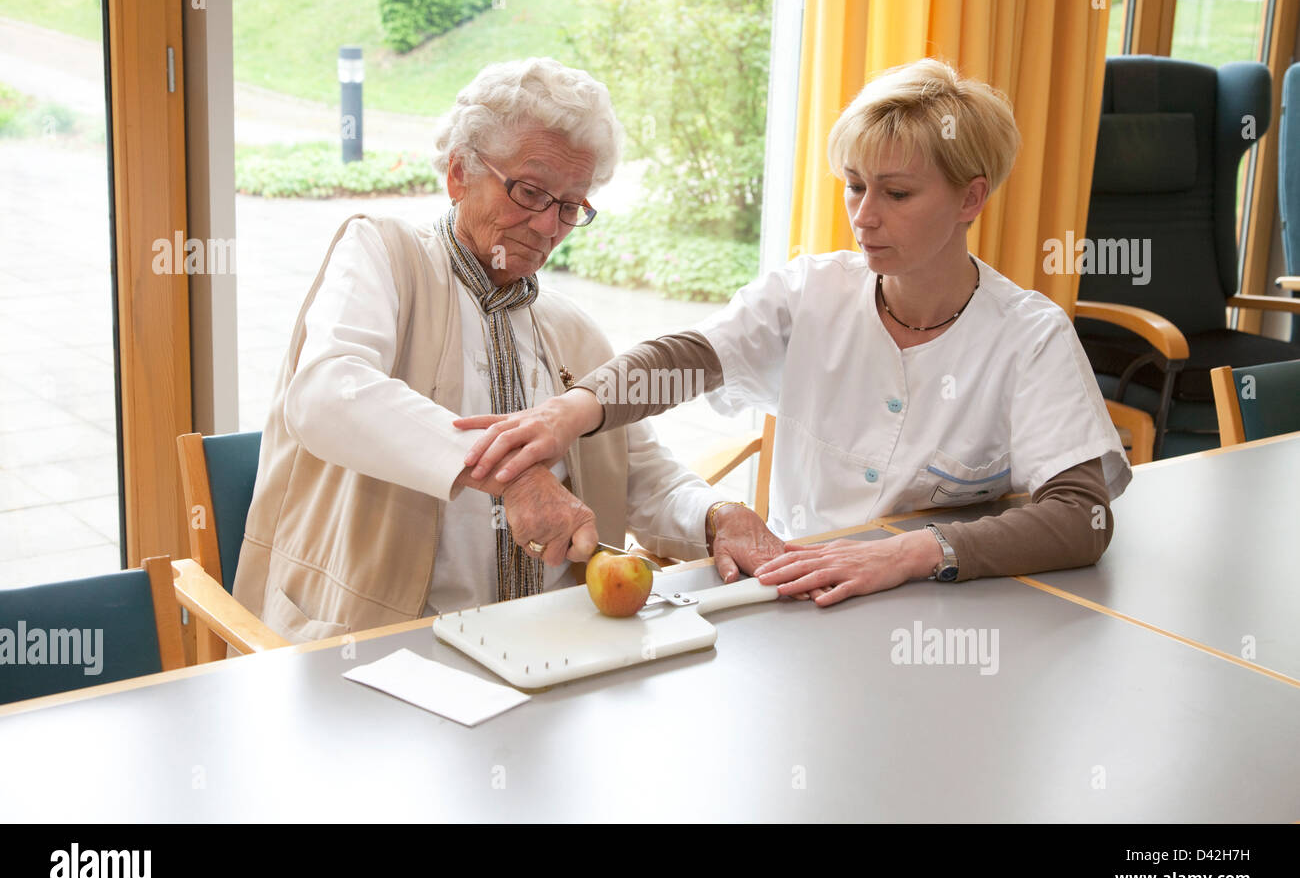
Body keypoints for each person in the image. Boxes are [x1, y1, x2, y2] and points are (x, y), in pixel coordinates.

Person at [454, 58, 1133, 607]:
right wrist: (572, 412)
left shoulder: (1029, 336)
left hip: (945, 607)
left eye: (895, 194)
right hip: (798, 600)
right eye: (854, 186)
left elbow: (1081, 517)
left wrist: (914, 552)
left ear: (970, 199)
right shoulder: (812, 291)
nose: (863, 216)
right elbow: (690, 356)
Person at [232, 57, 782, 642]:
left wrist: (719, 516)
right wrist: (513, 477)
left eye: (571, 206)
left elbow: (641, 475)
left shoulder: (574, 331)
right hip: (388, 644)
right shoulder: (385, 256)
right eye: (530, 191)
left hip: (551, 646)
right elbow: (326, 394)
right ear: (459, 173)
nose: (549, 227)